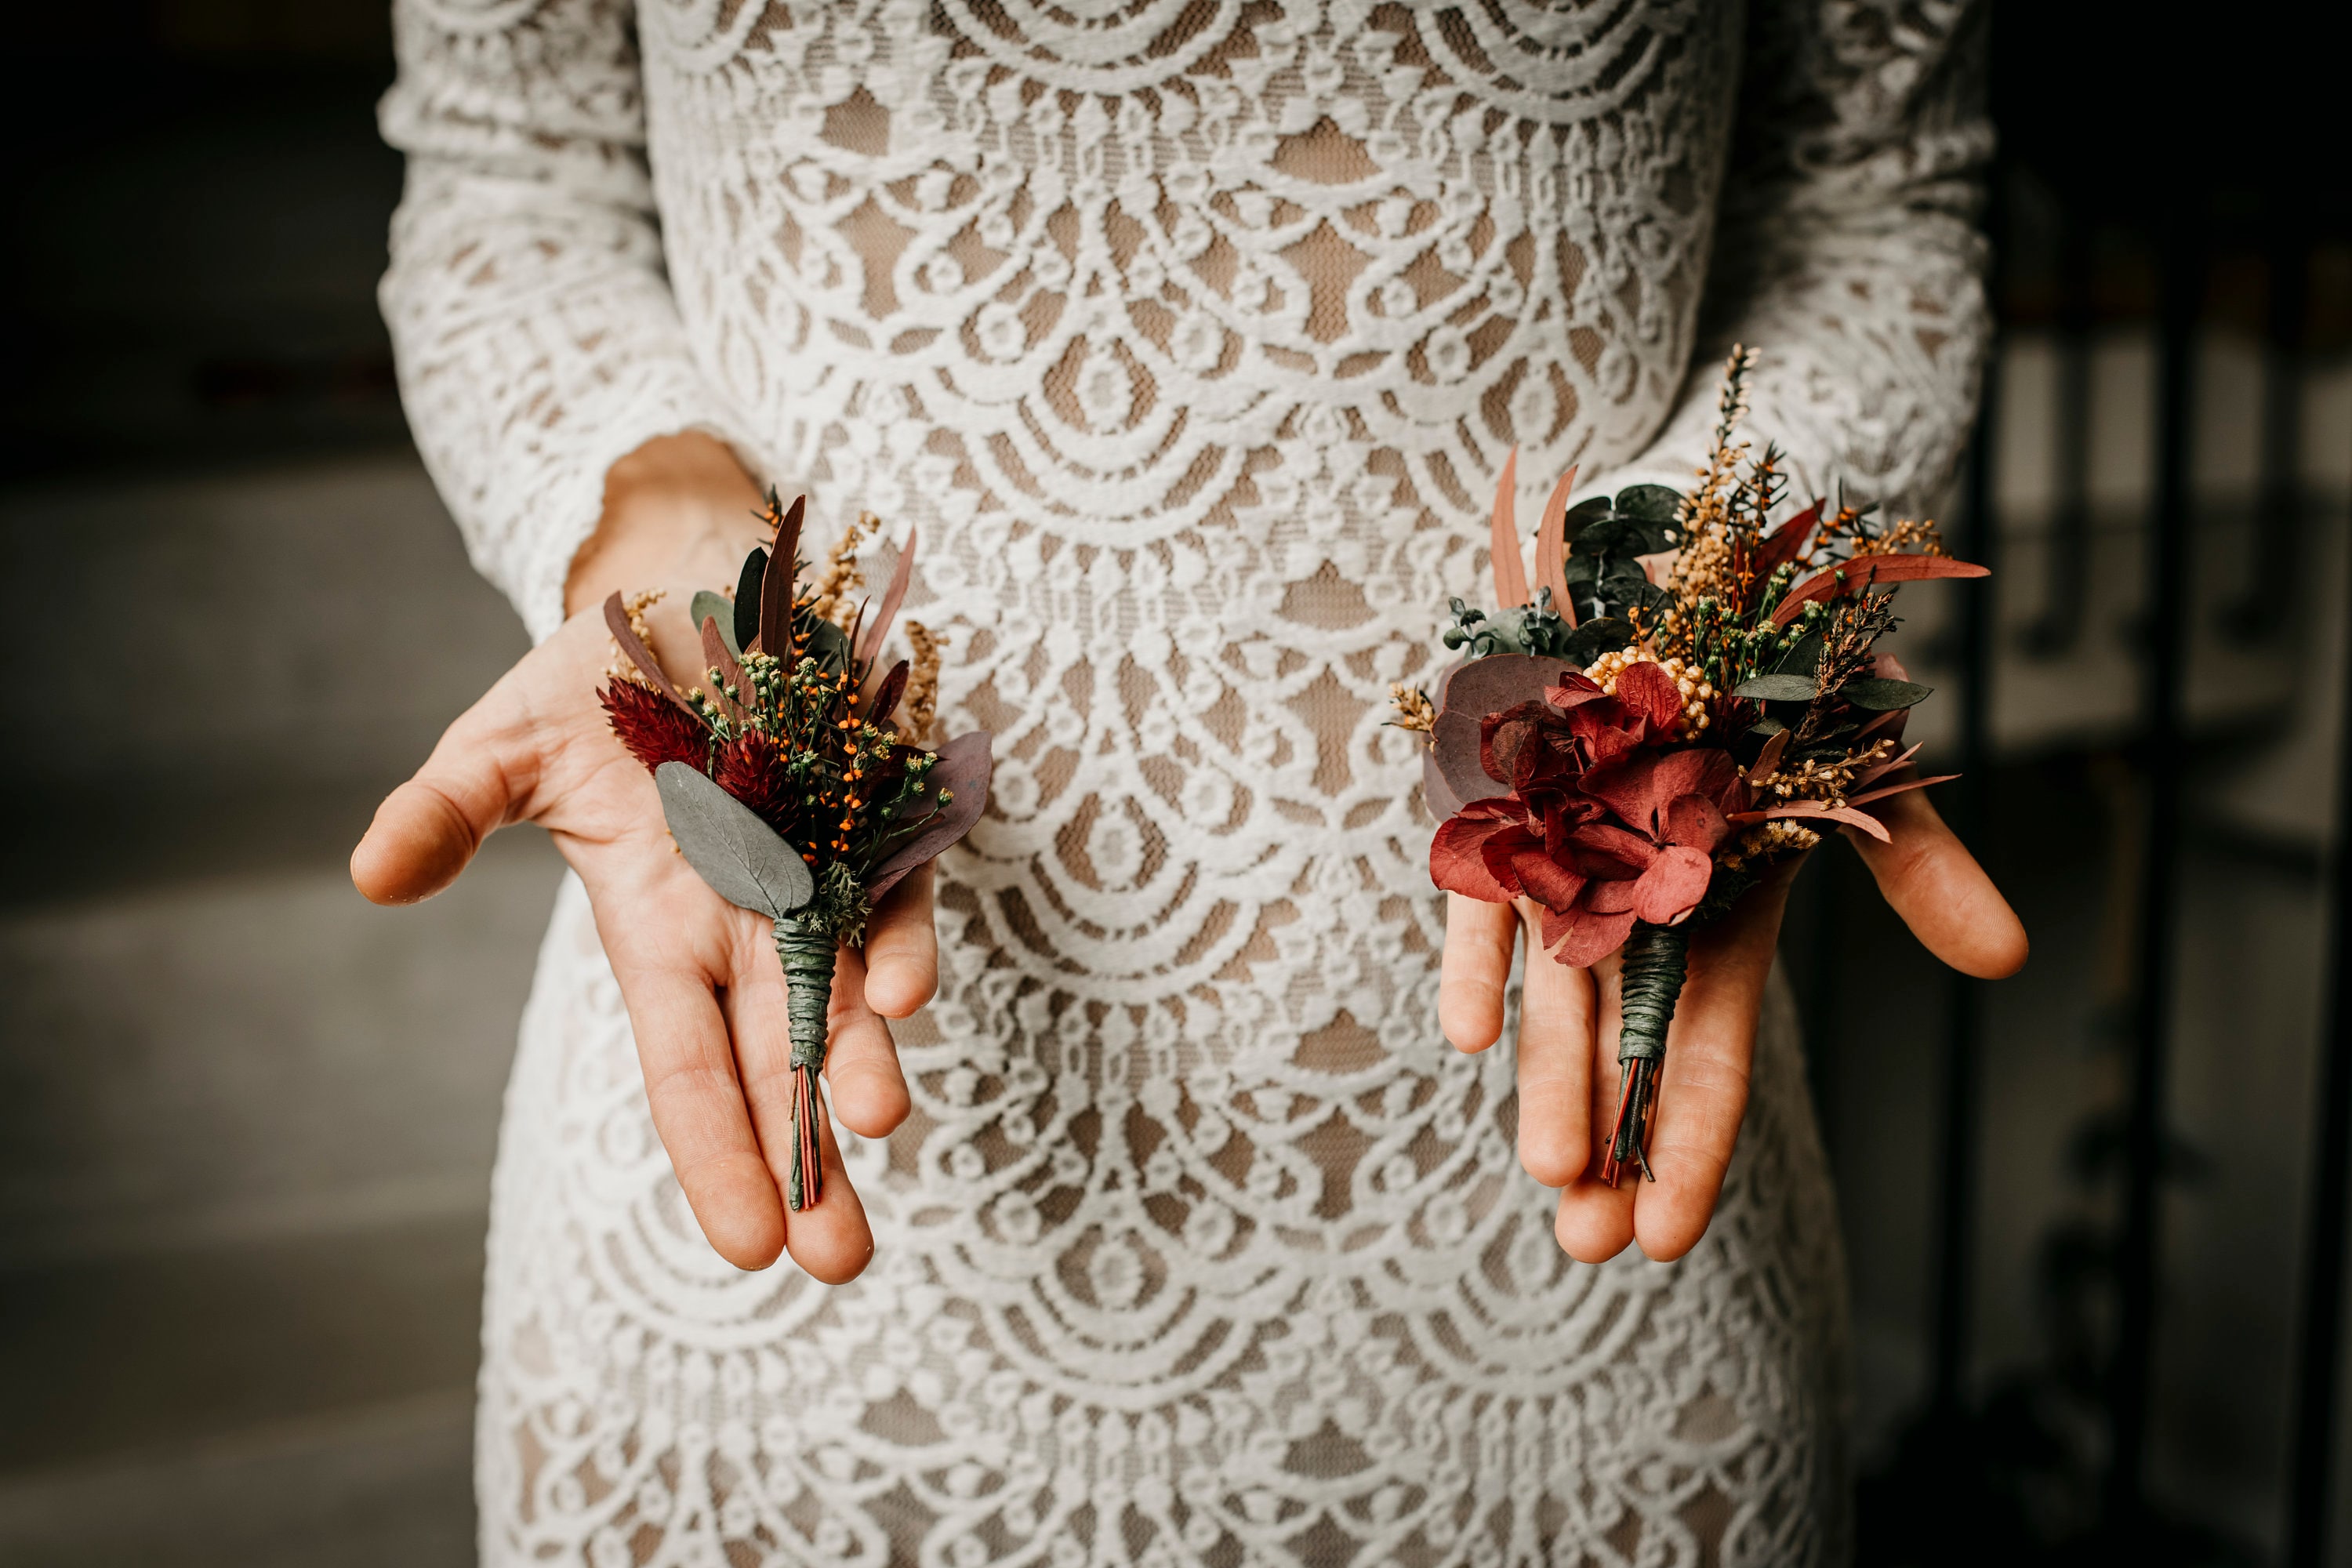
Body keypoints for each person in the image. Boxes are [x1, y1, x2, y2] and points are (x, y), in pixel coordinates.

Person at [354, 0, 2026, 1560]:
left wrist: (1691, 608)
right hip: (790, 1213)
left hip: (1555, 1201)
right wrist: (652, 523)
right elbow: (518, 178)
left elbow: (1871, 204)